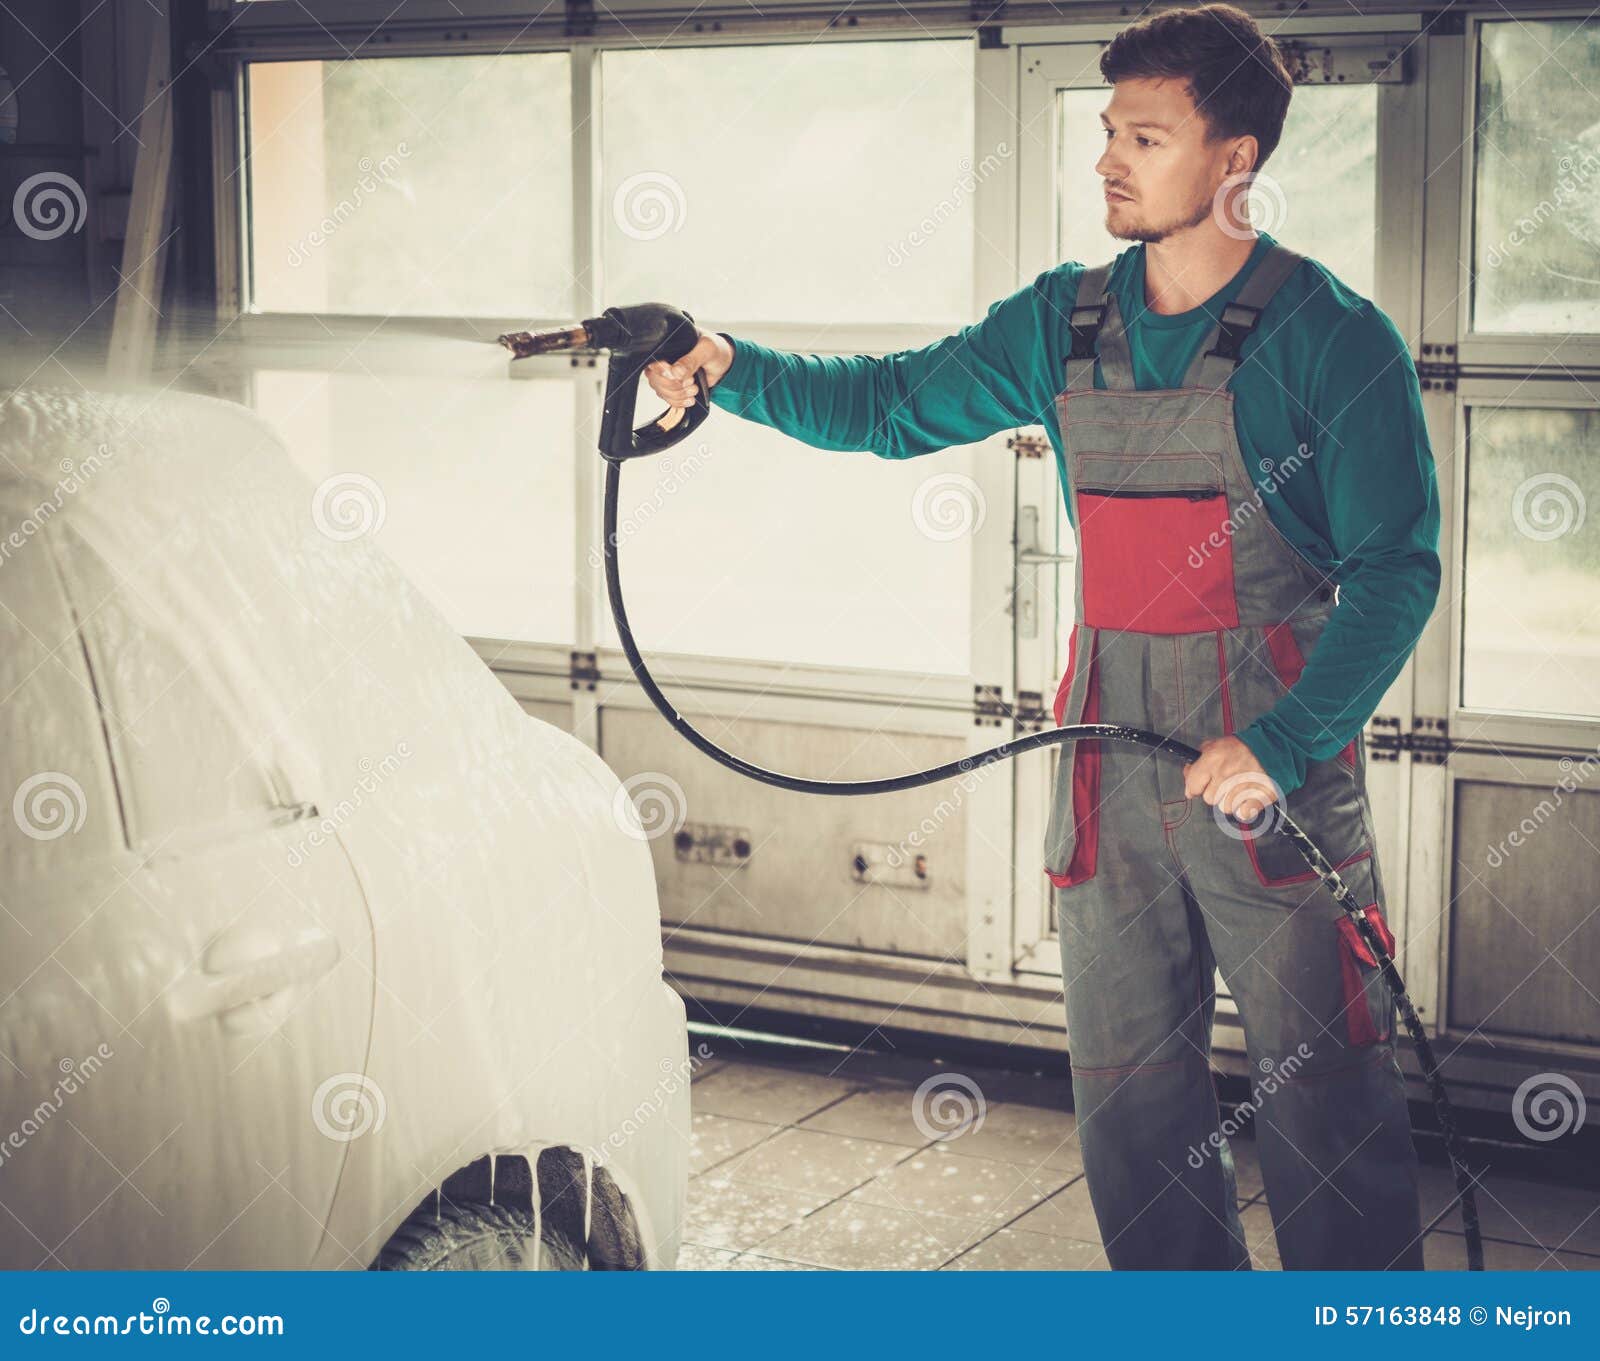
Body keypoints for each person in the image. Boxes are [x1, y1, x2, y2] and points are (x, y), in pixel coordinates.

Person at [645, 2, 1440, 1271]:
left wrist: (1284, 742)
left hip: (1266, 771)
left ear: (1235, 160)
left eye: (1147, 135)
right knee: (1133, 1109)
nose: (1108, 160)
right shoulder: (1064, 321)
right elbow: (892, 405)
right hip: (1104, 759)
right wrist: (720, 359)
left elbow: (1399, 566)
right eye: (1108, 129)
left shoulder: (1334, 341)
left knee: (1325, 1102)